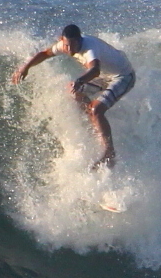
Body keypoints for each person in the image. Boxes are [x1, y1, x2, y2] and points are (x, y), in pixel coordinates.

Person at [12, 23, 136, 169]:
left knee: (97, 109)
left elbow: (95, 70)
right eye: (66, 46)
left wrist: (80, 80)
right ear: (61, 40)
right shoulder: (63, 45)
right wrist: (25, 68)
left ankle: (110, 153)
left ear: (80, 40)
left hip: (123, 76)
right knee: (74, 91)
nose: (69, 50)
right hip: (105, 75)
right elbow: (44, 54)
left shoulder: (90, 48)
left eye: (73, 45)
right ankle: (95, 124)